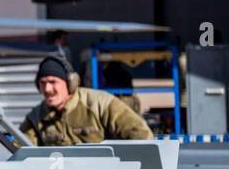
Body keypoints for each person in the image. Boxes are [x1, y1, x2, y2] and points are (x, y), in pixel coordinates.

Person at [21, 54, 152, 146]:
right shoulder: (36, 117)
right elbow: (19, 149)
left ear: (71, 83)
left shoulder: (100, 104)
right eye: (43, 83)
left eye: (53, 82)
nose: (47, 89)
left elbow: (141, 135)